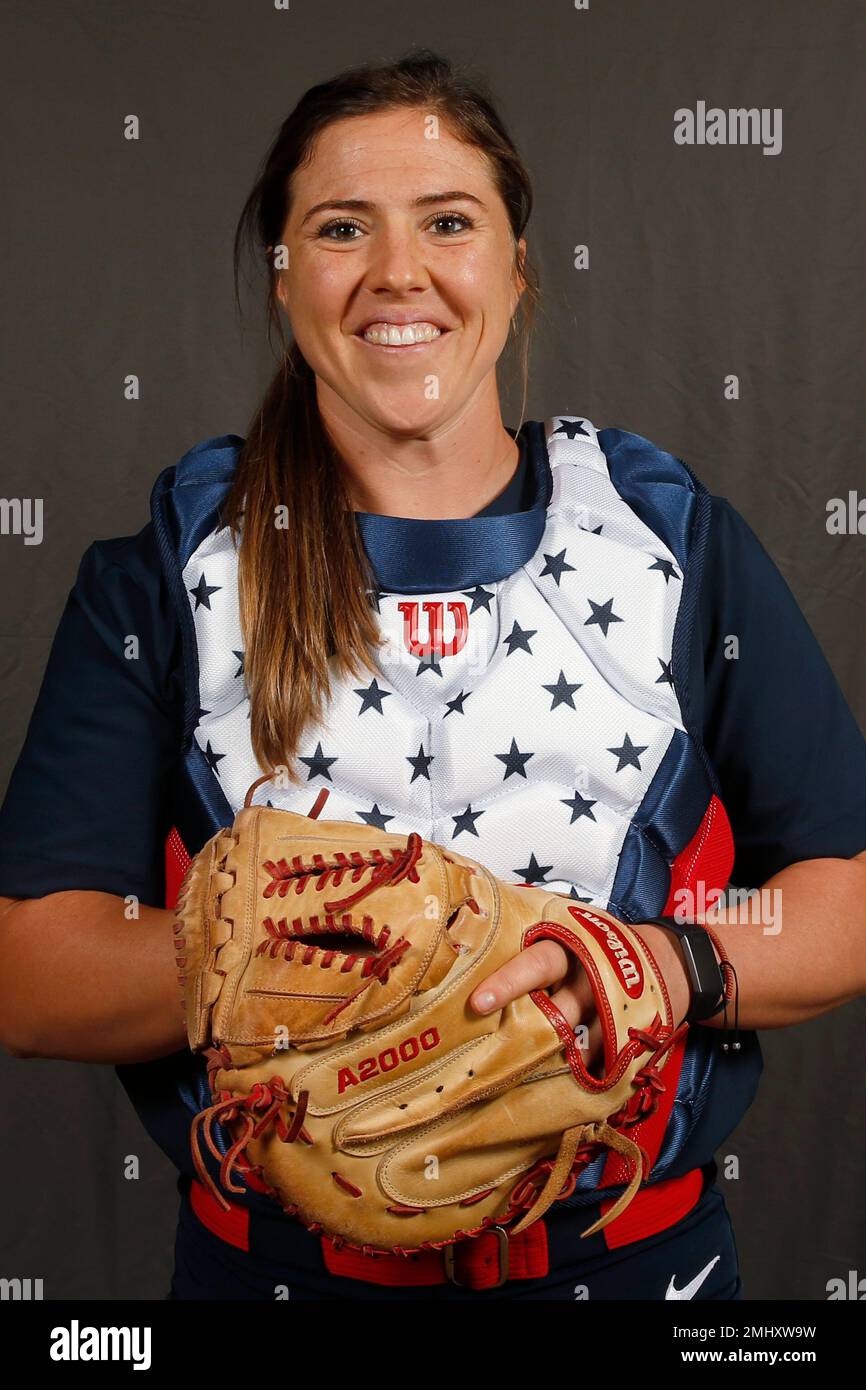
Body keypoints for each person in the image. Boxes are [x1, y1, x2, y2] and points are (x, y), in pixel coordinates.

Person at [1, 48, 865, 1302]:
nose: (398, 273)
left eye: (447, 222)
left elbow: (842, 892)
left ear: (514, 270)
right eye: (342, 228)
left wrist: (670, 963)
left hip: (624, 1271)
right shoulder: (174, 569)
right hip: (288, 1278)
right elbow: (36, 972)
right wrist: (353, 959)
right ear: (285, 274)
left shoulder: (665, 542)